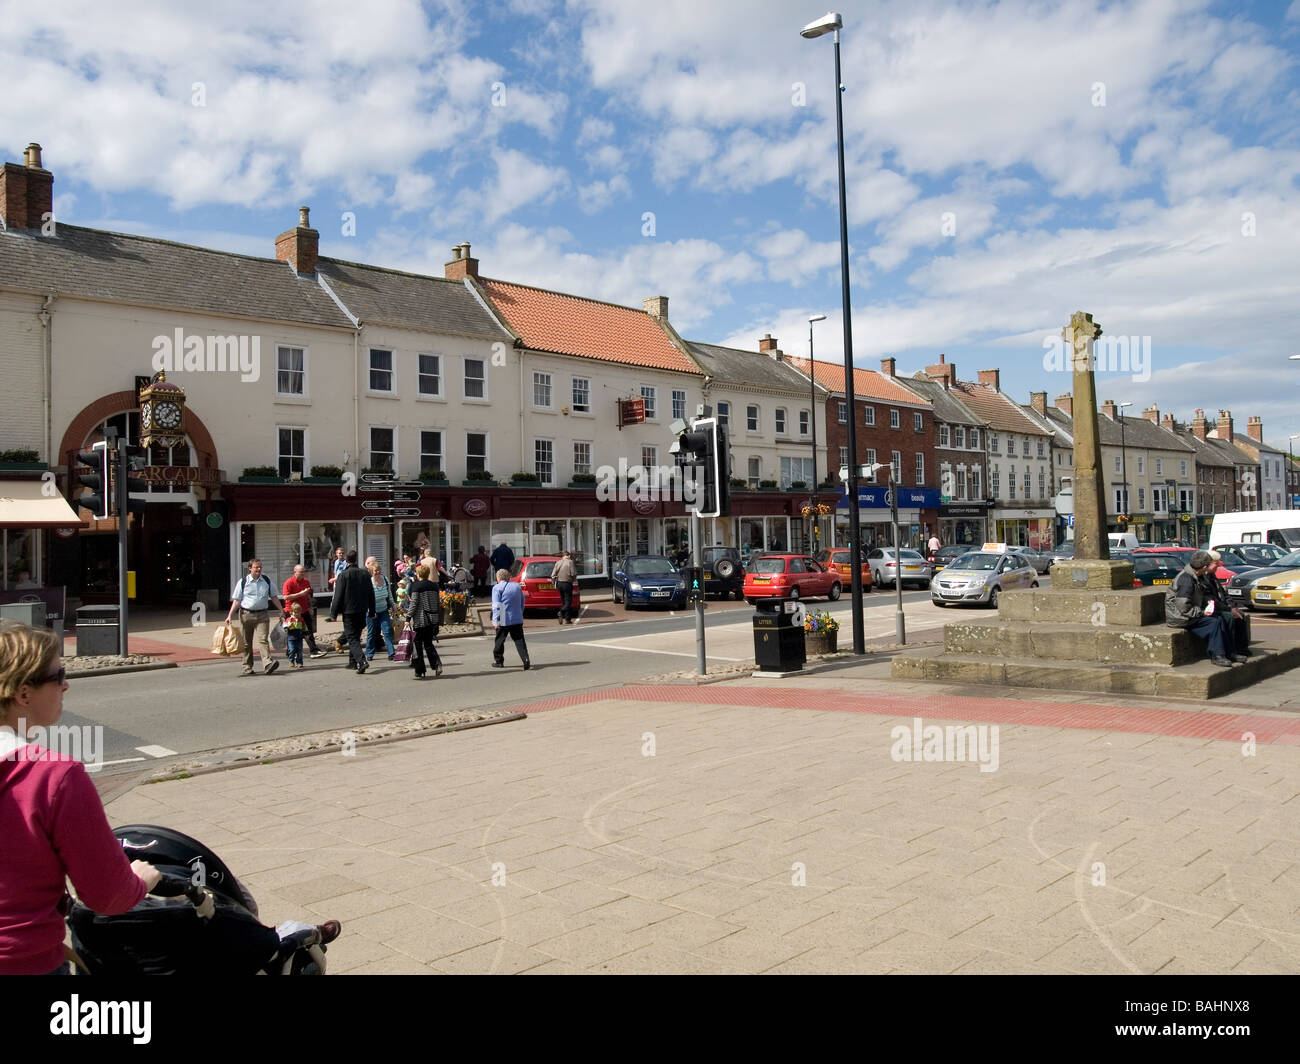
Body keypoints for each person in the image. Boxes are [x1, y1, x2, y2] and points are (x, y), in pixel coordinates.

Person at [0, 620, 162, 974]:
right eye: (58, 676)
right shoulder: (52, 777)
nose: (66, 685)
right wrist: (139, 881)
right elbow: (108, 896)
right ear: (23, 694)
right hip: (24, 962)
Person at [1165, 550, 1245, 668]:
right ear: (1203, 567)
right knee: (1214, 622)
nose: (1208, 569)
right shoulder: (1186, 580)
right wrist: (1202, 612)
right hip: (1180, 617)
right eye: (1208, 566)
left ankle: (1229, 653)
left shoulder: (1196, 576)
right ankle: (1217, 655)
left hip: (1189, 613)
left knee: (1221, 618)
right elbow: (1183, 608)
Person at [225, 559, 281, 676]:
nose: (259, 569)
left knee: (263, 640)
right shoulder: (243, 582)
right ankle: (247, 666)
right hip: (246, 615)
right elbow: (237, 600)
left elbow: (274, 597)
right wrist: (230, 615)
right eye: (256, 567)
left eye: (260, 567)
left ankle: (268, 664)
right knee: (246, 642)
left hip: (262, 614)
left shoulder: (266, 580)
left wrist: (281, 610)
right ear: (250, 568)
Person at [329, 550, 375, 675]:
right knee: (355, 636)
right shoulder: (365, 574)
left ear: (346, 561)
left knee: (352, 638)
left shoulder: (343, 575)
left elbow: (338, 596)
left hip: (349, 611)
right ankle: (352, 662)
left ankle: (361, 661)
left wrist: (333, 614)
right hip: (362, 610)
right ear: (356, 559)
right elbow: (371, 593)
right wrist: (372, 610)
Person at [1200, 551, 1251, 659]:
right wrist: (1229, 609)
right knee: (1229, 618)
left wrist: (1233, 606)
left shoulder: (1212, 576)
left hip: (1220, 606)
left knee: (1240, 616)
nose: (1218, 566)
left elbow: (1223, 594)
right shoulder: (1202, 578)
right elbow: (1210, 599)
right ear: (1207, 564)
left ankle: (1241, 648)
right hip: (1210, 608)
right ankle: (1230, 651)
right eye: (1216, 563)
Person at [404, 563, 443, 679]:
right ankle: (436, 664)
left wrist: (408, 618)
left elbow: (414, 603)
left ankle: (420, 670)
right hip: (432, 619)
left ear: (418, 574)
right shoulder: (434, 586)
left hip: (421, 619)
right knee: (428, 644)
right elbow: (437, 603)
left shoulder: (416, 586)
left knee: (417, 644)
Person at [282, 564, 325, 658]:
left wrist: (310, 607)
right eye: (301, 572)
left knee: (309, 631)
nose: (303, 574)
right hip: (292, 611)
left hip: (304, 610)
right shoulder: (288, 582)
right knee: (293, 632)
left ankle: (314, 650)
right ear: (295, 572)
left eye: (304, 572)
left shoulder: (306, 582)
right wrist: (300, 594)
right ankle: (290, 652)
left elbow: (308, 596)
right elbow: (285, 597)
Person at [490, 568, 530, 670]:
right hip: (517, 617)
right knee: (519, 640)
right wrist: (520, 613)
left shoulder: (497, 588)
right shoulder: (516, 586)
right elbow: (522, 602)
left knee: (500, 640)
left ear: (498, 577)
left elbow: (496, 606)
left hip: (503, 617)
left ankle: (499, 661)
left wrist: (495, 621)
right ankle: (525, 659)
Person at [365, 559, 397, 662]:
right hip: (372, 611)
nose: (378, 572)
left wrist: (393, 604)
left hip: (383, 610)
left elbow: (389, 594)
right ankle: (369, 653)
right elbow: (365, 598)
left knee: (387, 631)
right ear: (371, 571)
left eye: (379, 570)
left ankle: (391, 653)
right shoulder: (369, 582)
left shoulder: (385, 579)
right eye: (375, 571)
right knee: (371, 633)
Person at [551, 550, 577, 625]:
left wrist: (554, 582)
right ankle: (561, 612)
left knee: (564, 601)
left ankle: (567, 619)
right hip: (567, 583)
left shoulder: (558, 562)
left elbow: (553, 574)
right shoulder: (570, 562)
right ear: (568, 556)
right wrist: (573, 579)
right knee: (568, 602)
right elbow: (573, 573)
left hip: (559, 583)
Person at [284, 602, 308, 669]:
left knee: (299, 650)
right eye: (295, 612)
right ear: (291, 612)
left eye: (299, 612)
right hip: (291, 638)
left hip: (299, 637)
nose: (297, 614)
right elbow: (285, 626)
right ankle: (291, 660)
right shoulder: (289, 619)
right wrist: (288, 626)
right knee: (292, 650)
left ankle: (299, 662)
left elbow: (304, 627)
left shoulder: (301, 620)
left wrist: (305, 632)